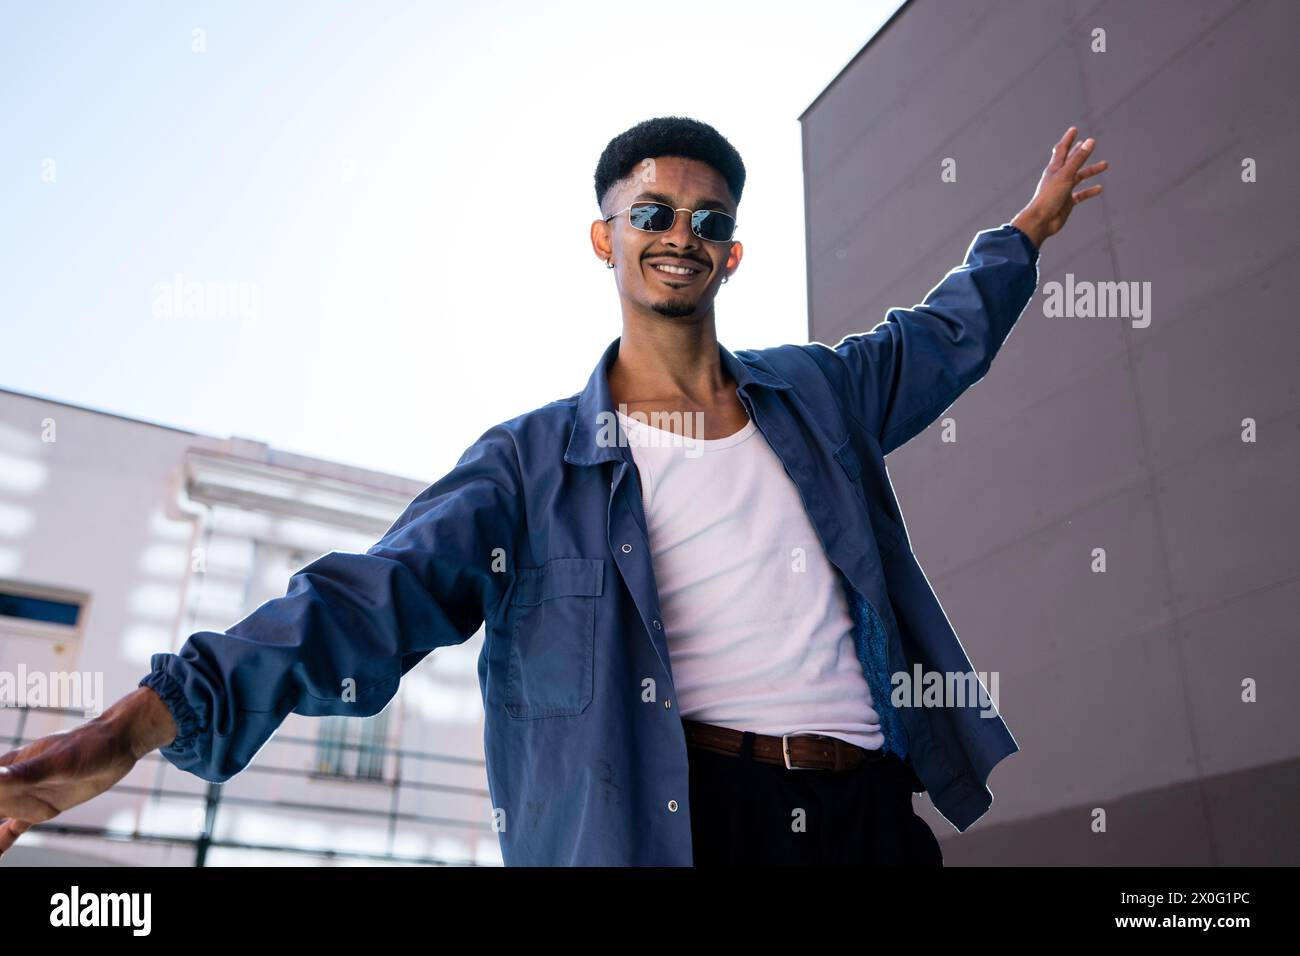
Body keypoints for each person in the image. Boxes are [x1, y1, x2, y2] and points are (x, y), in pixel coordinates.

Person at [0, 116, 1105, 865]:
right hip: (686, 821)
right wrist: (142, 720)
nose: (681, 234)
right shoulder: (528, 467)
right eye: (654, 212)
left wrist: (1026, 231)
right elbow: (363, 600)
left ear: (732, 256)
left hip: (868, 809)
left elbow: (941, 336)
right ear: (605, 237)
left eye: (708, 221)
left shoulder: (816, 394)